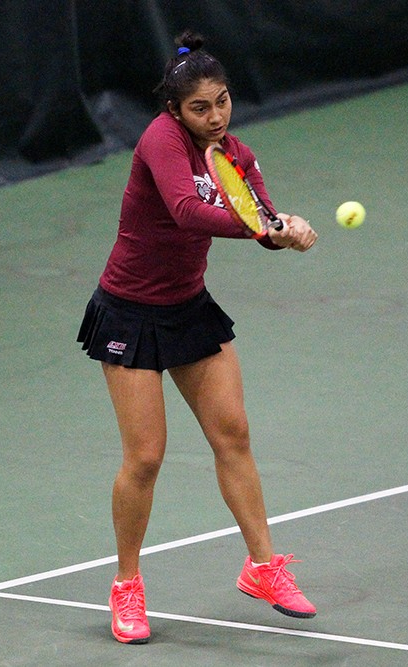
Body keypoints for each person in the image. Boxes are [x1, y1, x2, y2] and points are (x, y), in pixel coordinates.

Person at [77, 30, 318, 645]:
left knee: (233, 434)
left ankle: (263, 567)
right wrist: (259, 225)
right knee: (147, 456)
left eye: (223, 102)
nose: (215, 117)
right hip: (129, 311)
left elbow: (260, 222)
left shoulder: (236, 154)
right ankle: (126, 584)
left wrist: (286, 230)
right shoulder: (161, 141)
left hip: (188, 308)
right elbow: (187, 211)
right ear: (174, 110)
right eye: (200, 108)